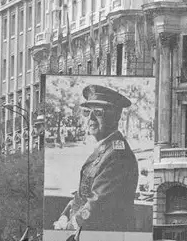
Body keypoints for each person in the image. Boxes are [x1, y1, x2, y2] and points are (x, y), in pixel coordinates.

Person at [53, 85, 139, 232]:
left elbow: (97, 205)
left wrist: (67, 228)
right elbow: (82, 195)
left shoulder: (118, 155)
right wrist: (64, 217)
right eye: (88, 112)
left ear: (115, 116)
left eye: (98, 112)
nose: (91, 118)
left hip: (104, 239)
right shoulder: (105, 149)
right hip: (88, 233)